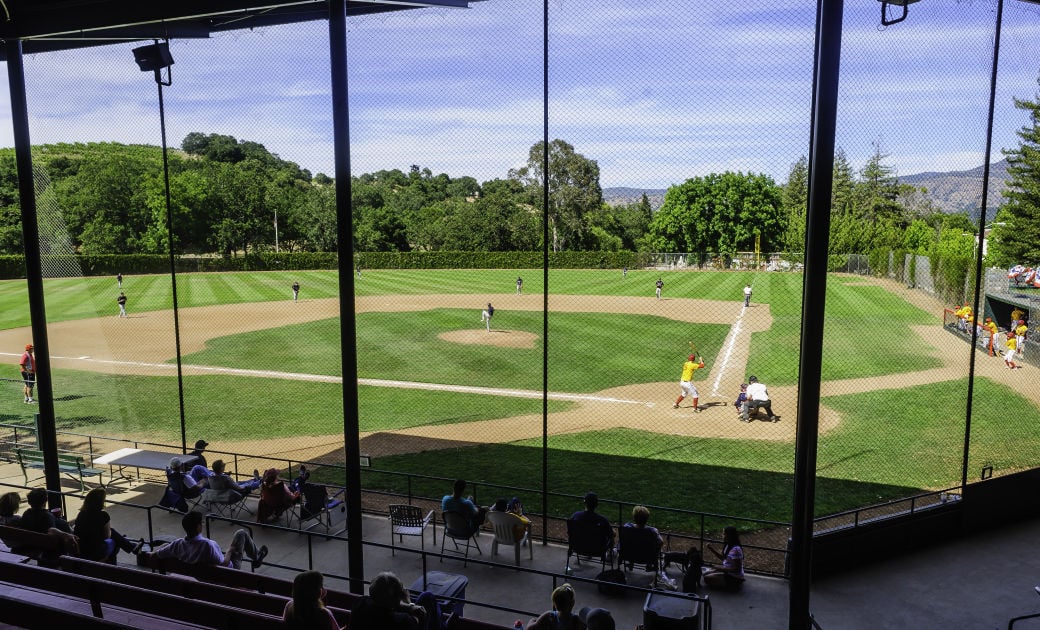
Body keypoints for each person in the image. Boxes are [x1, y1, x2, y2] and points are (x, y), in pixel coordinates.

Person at [140, 510, 267, 570]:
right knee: (241, 534)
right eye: (201, 523)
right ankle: (256, 557)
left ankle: (257, 556)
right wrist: (229, 551)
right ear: (198, 527)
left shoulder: (177, 544)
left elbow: (155, 554)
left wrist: (151, 550)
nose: (203, 524)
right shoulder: (207, 545)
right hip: (229, 574)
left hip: (200, 578)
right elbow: (223, 564)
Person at [73, 487, 143, 564]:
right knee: (114, 537)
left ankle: (131, 546)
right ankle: (129, 548)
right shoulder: (103, 515)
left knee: (114, 535)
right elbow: (107, 536)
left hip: (81, 549)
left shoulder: (81, 514)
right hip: (95, 551)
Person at [351, 571, 441, 630]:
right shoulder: (401, 621)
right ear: (397, 597)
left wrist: (405, 606)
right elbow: (420, 615)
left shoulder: (360, 603)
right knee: (427, 597)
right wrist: (408, 602)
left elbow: (385, 604)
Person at [620, 505, 673, 587]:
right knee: (653, 546)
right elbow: (661, 543)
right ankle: (650, 566)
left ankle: (631, 563)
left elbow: (622, 541)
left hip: (628, 555)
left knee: (634, 543)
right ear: (647, 519)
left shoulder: (626, 527)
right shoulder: (653, 531)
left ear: (634, 518)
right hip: (648, 558)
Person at [703, 526, 745, 590]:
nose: (722, 535)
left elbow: (737, 570)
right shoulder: (728, 545)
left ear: (729, 535)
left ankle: (732, 585)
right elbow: (724, 558)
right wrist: (711, 549)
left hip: (735, 577)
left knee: (707, 578)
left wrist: (721, 568)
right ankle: (726, 582)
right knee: (705, 574)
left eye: (724, 534)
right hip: (727, 570)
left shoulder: (736, 549)